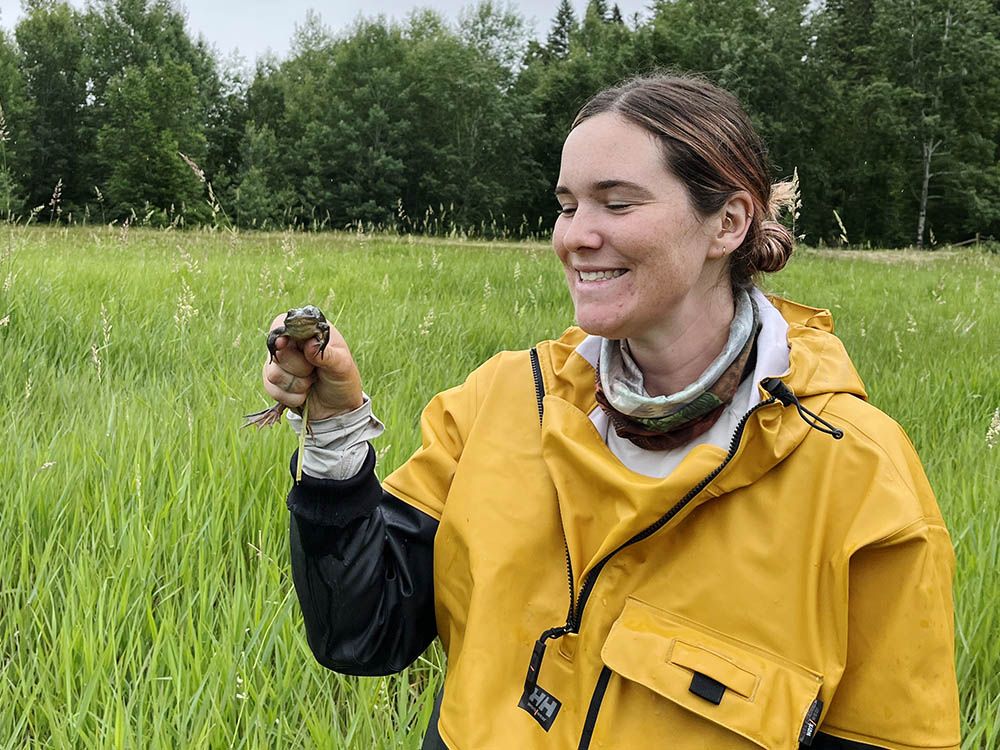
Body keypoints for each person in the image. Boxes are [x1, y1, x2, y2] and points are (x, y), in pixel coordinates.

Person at [261, 74, 961, 750]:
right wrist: (334, 435)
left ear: (729, 222)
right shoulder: (501, 401)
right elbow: (363, 632)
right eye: (567, 206)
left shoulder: (857, 474)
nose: (575, 236)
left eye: (617, 203)